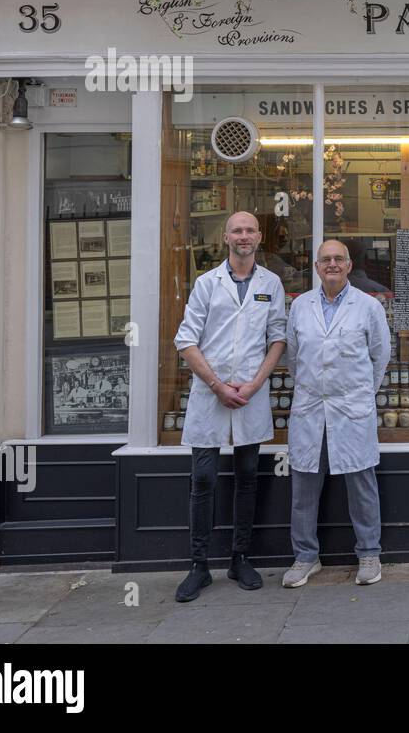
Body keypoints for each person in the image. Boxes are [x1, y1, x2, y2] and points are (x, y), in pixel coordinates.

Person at [173, 211, 287, 602]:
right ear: (226, 237)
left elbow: (277, 340)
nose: (244, 236)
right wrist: (217, 385)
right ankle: (199, 566)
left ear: (259, 237)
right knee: (202, 480)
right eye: (237, 230)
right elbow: (186, 341)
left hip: (250, 396)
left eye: (250, 230)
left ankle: (240, 558)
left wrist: (255, 384)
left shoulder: (271, 284)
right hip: (210, 394)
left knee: (248, 476)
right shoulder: (207, 284)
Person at [281, 239, 390, 588]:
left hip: (351, 408)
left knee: (361, 484)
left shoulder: (368, 307)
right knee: (304, 488)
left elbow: (379, 357)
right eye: (325, 259)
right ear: (316, 267)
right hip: (311, 408)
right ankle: (305, 557)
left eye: (338, 259)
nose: (332, 264)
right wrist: (318, 388)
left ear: (348, 265)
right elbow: (293, 359)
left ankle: (369, 554)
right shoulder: (300, 307)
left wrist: (357, 394)